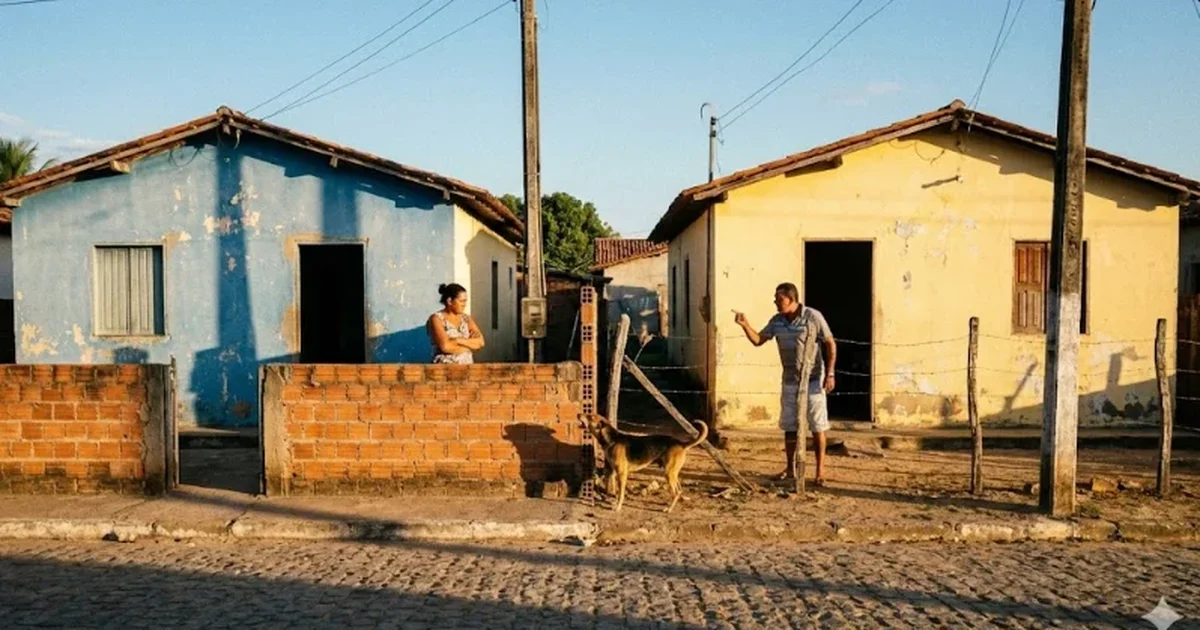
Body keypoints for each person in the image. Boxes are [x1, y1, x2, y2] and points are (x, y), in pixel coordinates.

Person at [733, 282, 837, 486]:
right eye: (775, 299)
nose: (776, 303)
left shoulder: (813, 317)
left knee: (817, 426)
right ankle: (790, 469)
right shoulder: (777, 321)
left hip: (814, 380)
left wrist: (830, 374)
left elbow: (830, 343)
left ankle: (820, 471)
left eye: (779, 299)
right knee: (789, 426)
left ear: (792, 299)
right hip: (790, 380)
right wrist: (745, 325)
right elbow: (758, 340)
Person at [427, 283, 485, 364]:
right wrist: (470, 345)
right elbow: (445, 346)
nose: (464, 305)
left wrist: (457, 340)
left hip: (467, 369)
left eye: (465, 301)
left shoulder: (466, 319)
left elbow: (480, 342)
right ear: (450, 301)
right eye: (461, 301)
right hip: (444, 369)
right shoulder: (437, 319)